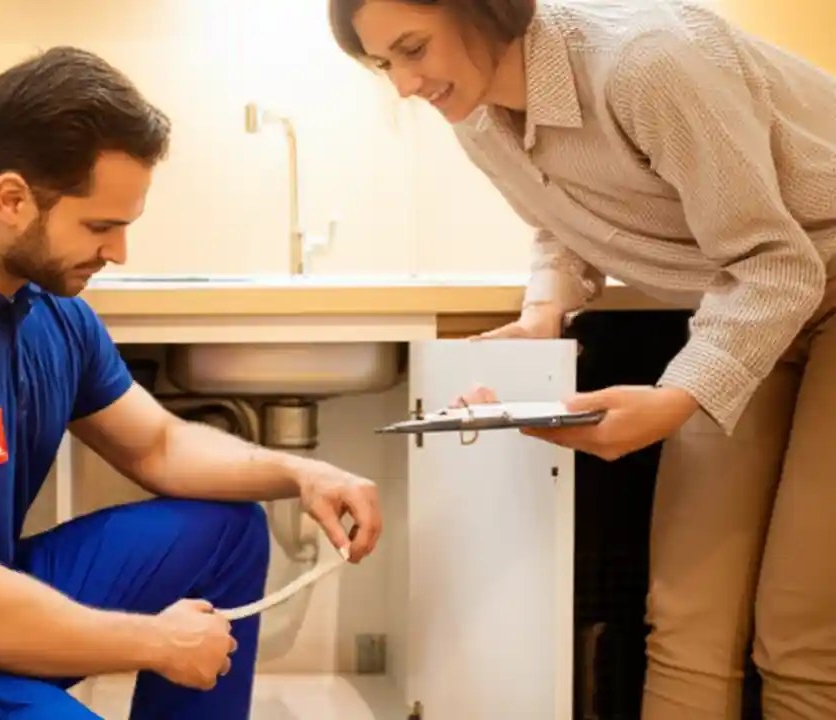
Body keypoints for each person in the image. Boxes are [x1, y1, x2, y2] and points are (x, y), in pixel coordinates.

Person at [0, 46, 382, 720]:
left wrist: (301, 475)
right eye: (100, 226)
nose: (119, 252)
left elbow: (158, 448)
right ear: (11, 199)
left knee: (231, 528)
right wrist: (155, 642)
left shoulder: (53, 311)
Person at [328, 0, 836, 718]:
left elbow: (775, 262)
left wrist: (678, 396)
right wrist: (542, 316)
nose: (405, 85)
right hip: (748, 300)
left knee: (802, 631)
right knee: (687, 614)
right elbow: (562, 219)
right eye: (385, 64)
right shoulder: (475, 114)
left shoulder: (647, 64)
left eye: (414, 49)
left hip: (798, 276)